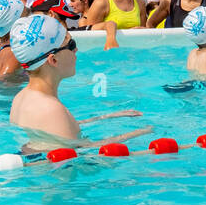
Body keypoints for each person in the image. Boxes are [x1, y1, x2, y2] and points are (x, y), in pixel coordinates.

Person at [8, 13, 148, 150]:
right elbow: (84, 155)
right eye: (71, 44)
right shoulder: (51, 110)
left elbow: (53, 129)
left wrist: (106, 117)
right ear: (53, 60)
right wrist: (141, 133)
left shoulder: (21, 97)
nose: (76, 49)